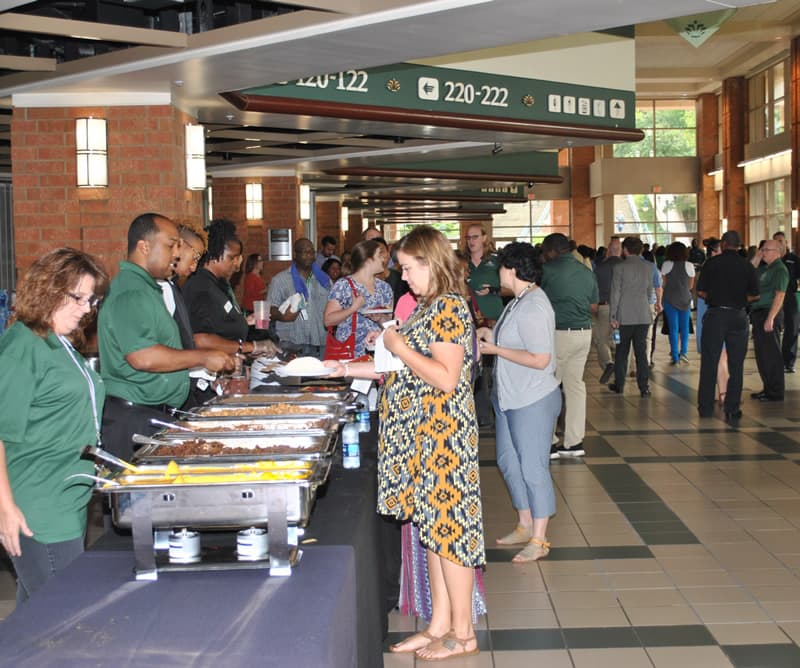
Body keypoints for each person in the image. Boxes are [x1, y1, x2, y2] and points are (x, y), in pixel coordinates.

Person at [327, 226, 484, 661]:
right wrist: (339, 370)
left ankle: (464, 632)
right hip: (421, 438)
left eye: (410, 269)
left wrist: (395, 340)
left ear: (432, 263)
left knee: (451, 534)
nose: (405, 278)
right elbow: (394, 368)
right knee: (431, 532)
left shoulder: (450, 306)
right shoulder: (427, 307)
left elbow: (446, 378)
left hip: (443, 437)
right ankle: (438, 624)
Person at [0, 248, 108, 604]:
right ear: (47, 287)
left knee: (35, 616)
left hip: (68, 498)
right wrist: (5, 509)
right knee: (62, 616)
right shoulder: (22, 345)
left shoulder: (61, 343)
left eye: (90, 299)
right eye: (77, 297)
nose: (85, 308)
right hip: (38, 506)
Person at [98, 213, 235, 458]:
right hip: (133, 417)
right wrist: (201, 358)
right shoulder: (132, 291)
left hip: (149, 413)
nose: (176, 254)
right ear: (144, 246)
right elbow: (143, 357)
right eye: (171, 245)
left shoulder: (148, 288)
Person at [476, 242, 561, 563]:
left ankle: (539, 539)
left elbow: (540, 359)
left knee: (532, 468)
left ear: (511, 270)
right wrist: (489, 335)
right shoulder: (517, 301)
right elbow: (513, 336)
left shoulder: (535, 304)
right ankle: (525, 524)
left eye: (500, 266)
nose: (497, 272)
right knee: (508, 462)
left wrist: (496, 350)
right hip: (510, 396)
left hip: (533, 398)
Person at [540, 233, 598, 457]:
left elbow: (537, 298)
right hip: (584, 333)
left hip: (559, 333)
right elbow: (594, 306)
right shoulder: (585, 271)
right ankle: (574, 442)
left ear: (552, 251)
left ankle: (551, 441)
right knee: (575, 386)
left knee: (551, 385)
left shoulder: (549, 271)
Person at [183, 219, 277, 357]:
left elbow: (217, 322)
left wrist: (243, 321)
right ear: (215, 256)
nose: (236, 265)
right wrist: (250, 347)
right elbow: (200, 339)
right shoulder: (200, 287)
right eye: (231, 258)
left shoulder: (216, 284)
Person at [696, 230, 759, 419]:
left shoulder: (712, 264)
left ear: (723, 244)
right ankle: (732, 407)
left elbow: (700, 291)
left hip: (716, 315)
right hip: (739, 316)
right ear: (739, 245)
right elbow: (755, 295)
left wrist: (715, 298)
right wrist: (739, 300)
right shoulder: (747, 266)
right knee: (736, 363)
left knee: (709, 361)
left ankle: (705, 407)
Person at [324, 240, 393, 358]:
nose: (384, 258)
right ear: (368, 259)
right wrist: (353, 308)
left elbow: (390, 325)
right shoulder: (344, 285)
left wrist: (380, 318)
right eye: (379, 255)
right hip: (350, 354)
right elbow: (328, 320)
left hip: (379, 353)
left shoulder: (385, 287)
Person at [267, 237, 331, 357]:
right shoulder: (280, 280)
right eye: (305, 252)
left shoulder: (324, 280)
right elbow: (270, 309)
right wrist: (282, 315)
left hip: (320, 344)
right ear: (295, 255)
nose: (309, 255)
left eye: (312, 252)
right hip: (292, 346)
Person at [609, 237, 654, 397]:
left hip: (624, 316)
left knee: (622, 351)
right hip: (643, 315)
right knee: (641, 352)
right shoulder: (648, 267)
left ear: (625, 249)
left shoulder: (619, 267)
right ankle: (644, 386)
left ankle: (619, 384)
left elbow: (615, 293)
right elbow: (650, 292)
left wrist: (613, 315)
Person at [749, 238, 789, 402]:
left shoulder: (780, 270)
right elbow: (749, 272)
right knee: (762, 355)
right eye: (762, 249)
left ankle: (776, 391)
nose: (763, 252)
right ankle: (768, 387)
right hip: (758, 313)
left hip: (769, 313)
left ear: (777, 253)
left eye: (766, 250)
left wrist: (770, 318)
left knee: (771, 355)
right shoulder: (765, 268)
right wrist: (758, 256)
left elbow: (780, 295)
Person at [593, 236, 623, 384]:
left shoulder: (600, 268)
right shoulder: (626, 267)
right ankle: (620, 371)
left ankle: (608, 363)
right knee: (618, 339)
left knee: (601, 340)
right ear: (621, 251)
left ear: (608, 250)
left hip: (605, 308)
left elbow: (594, 289)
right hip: (622, 310)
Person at [661, 241, 695, 366]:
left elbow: (663, 284)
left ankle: (675, 356)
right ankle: (684, 353)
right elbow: (690, 286)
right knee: (684, 327)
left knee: (673, 328)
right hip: (685, 299)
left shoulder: (666, 265)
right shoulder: (690, 266)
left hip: (669, 299)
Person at [773, 231, 799, 372]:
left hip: (790, 297)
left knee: (792, 328)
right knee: (773, 329)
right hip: (774, 297)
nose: (779, 244)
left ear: (786, 243)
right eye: (776, 241)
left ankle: (788, 362)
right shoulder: (771, 261)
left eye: (781, 241)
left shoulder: (793, 259)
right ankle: (776, 361)